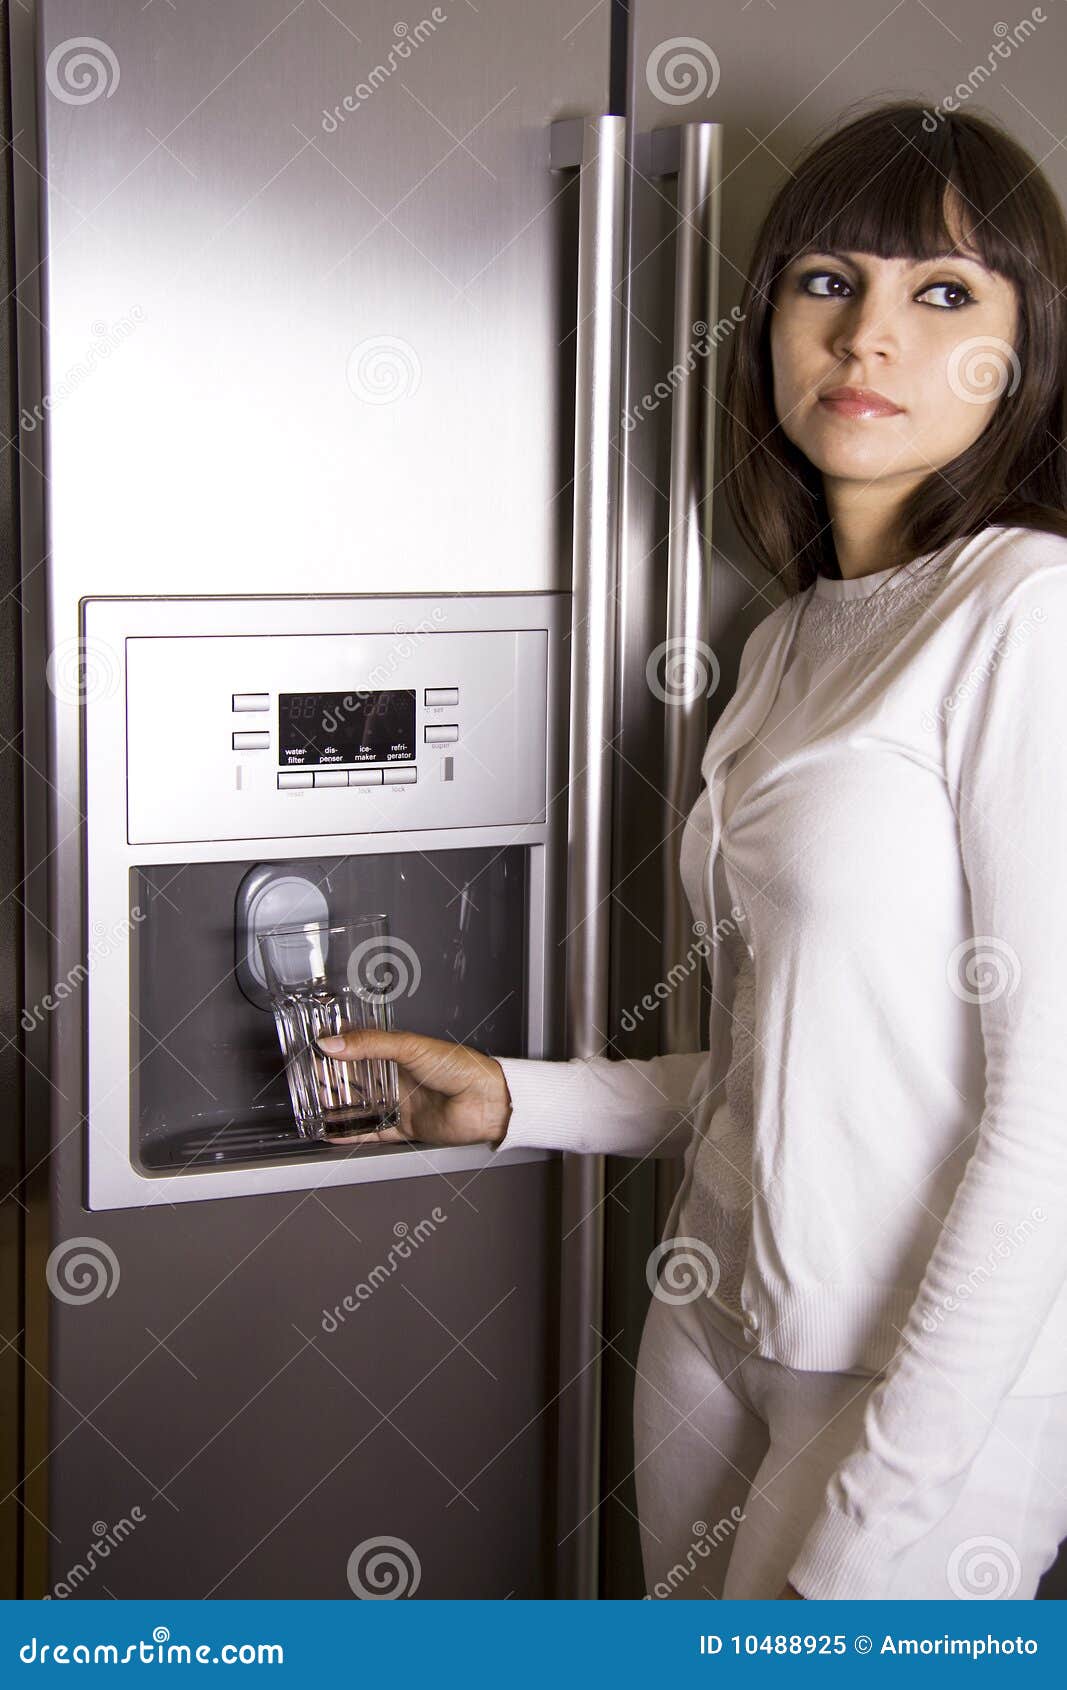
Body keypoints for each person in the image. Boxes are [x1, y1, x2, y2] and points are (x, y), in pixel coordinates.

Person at [315, 100, 1067, 1601]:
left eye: (941, 294)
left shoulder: (1027, 615)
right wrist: (514, 1097)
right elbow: (776, 1069)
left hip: (927, 1394)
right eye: (826, 282)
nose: (868, 339)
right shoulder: (787, 641)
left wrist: (885, 1515)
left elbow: (1049, 1126)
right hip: (713, 1330)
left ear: (1027, 351)